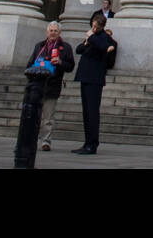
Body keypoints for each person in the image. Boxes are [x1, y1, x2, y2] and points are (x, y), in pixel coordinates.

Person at [27, 20, 74, 152]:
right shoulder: (39, 46)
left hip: (52, 86)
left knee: (48, 117)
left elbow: (70, 66)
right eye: (51, 31)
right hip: (37, 85)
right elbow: (29, 63)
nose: (53, 33)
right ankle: (31, 139)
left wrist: (60, 62)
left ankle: (46, 141)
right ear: (47, 32)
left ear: (59, 33)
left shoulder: (65, 47)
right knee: (34, 115)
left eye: (55, 31)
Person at [73, 14, 117, 154]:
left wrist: (91, 37)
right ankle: (87, 142)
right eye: (92, 25)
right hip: (85, 77)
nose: (93, 28)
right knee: (86, 112)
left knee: (92, 112)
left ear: (102, 26)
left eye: (96, 26)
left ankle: (93, 144)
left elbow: (105, 46)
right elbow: (79, 50)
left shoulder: (103, 37)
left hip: (95, 79)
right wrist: (87, 41)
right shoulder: (92, 38)